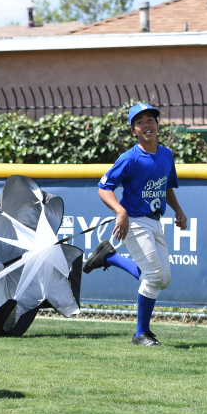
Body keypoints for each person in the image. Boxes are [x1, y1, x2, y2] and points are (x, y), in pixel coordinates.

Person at [83, 102, 188, 348]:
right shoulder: (129, 158)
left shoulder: (166, 155)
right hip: (135, 222)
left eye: (150, 119)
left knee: (163, 279)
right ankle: (142, 334)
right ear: (134, 131)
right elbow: (103, 187)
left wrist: (179, 210)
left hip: (155, 221)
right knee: (153, 276)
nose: (146, 124)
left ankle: (109, 258)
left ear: (157, 125)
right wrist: (120, 211)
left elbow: (166, 186)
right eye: (139, 122)